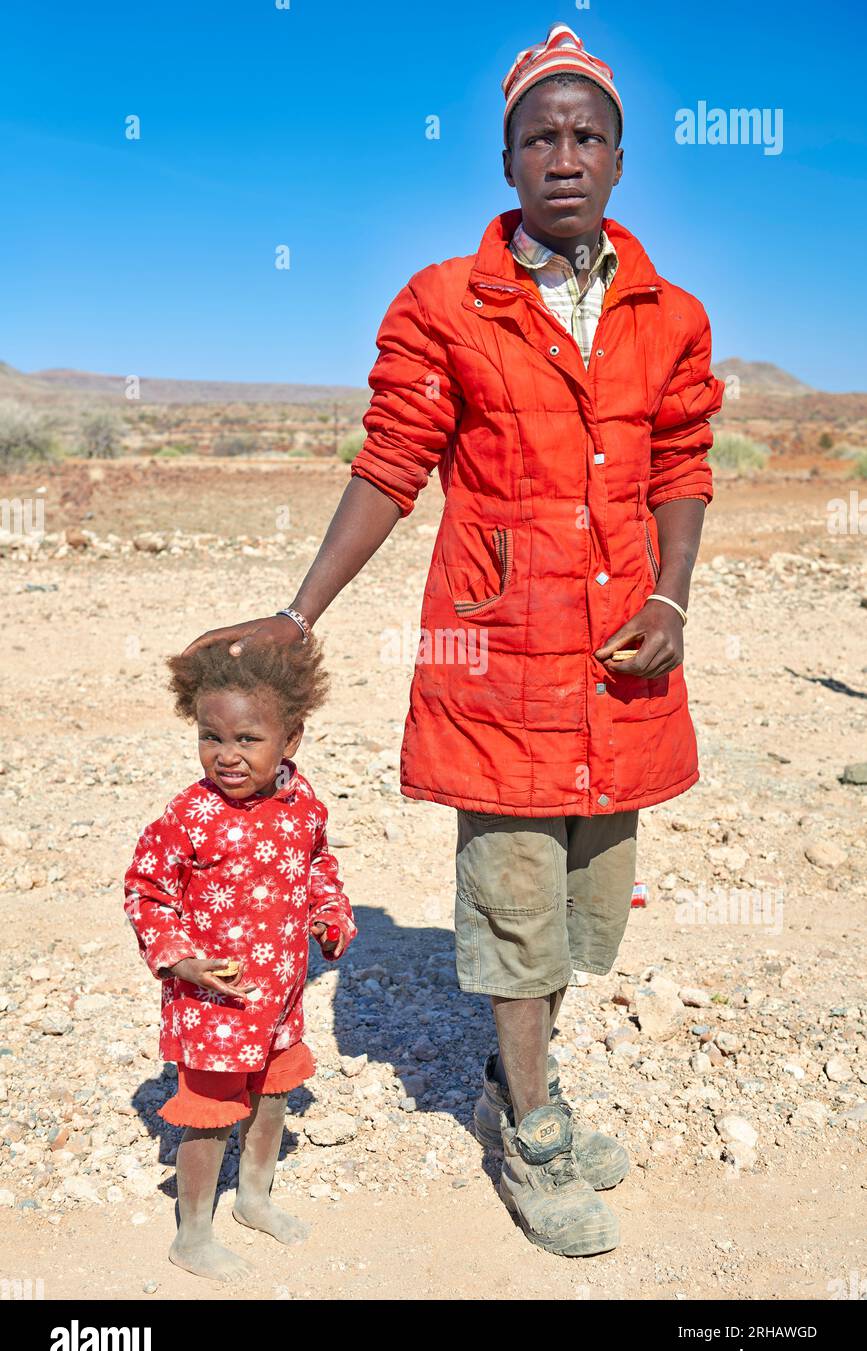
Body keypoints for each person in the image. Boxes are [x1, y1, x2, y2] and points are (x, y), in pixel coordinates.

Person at [181, 23, 725, 1258]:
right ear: (506, 156)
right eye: (543, 135)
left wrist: (676, 599)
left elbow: (683, 463)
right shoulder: (447, 302)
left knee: (587, 914)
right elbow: (391, 463)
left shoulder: (670, 315)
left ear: (623, 160)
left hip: (622, 656)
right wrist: (299, 611)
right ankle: (530, 1125)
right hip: (495, 657)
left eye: (588, 135)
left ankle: (508, 1079)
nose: (565, 154)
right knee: (516, 900)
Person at [122, 636, 356, 1281]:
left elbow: (317, 866)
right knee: (210, 1111)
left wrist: (330, 916)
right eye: (210, 737)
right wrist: (179, 960)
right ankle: (192, 1234)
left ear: (291, 738)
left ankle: (255, 1198)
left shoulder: (301, 804)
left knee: (274, 1094)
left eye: (247, 740)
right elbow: (147, 890)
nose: (226, 756)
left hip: (280, 990)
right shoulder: (189, 817)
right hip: (213, 1001)